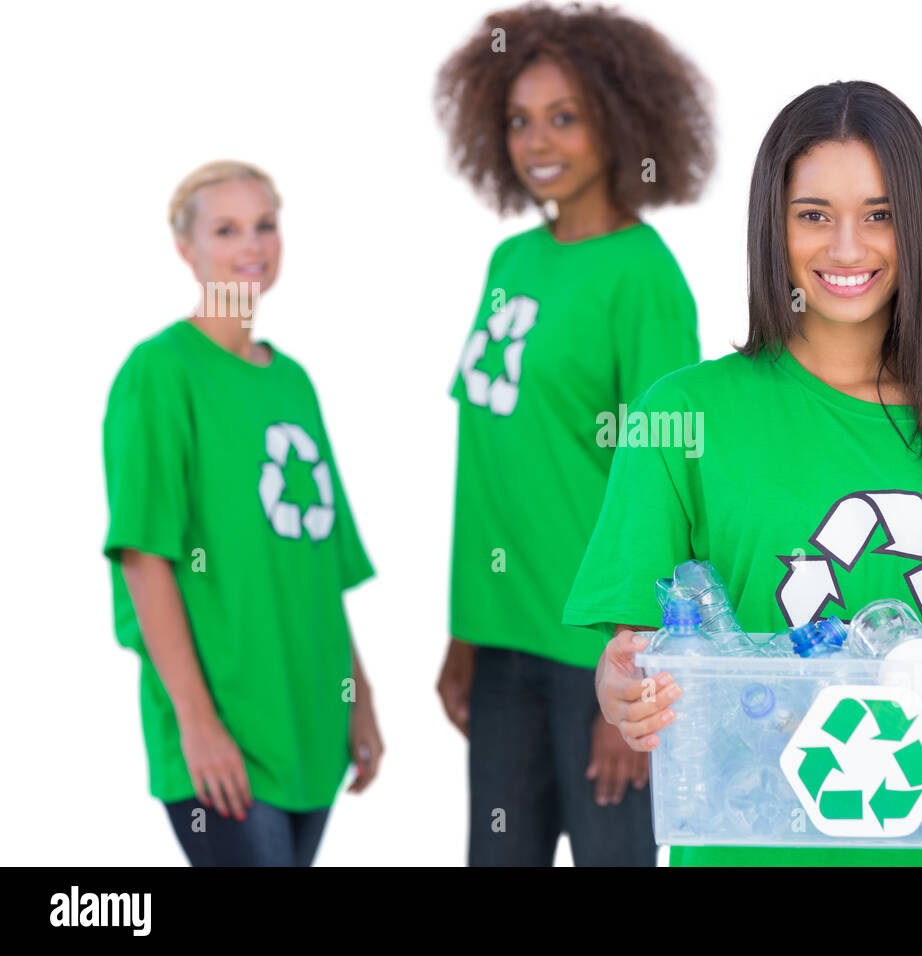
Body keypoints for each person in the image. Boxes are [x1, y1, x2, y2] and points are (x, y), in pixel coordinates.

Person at [566, 81, 922, 867]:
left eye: (880, 214)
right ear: (773, 224)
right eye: (813, 214)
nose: (847, 249)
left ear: (918, 225)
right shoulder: (683, 415)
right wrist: (620, 688)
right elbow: (636, 654)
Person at [434, 2, 714, 865]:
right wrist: (463, 631)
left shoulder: (643, 278)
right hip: (503, 641)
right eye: (519, 119)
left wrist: (636, 680)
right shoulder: (510, 262)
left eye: (564, 116)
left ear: (621, 122)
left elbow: (672, 488)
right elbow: (493, 467)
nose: (536, 140)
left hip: (596, 656)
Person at [102, 160, 382, 866]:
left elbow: (320, 562)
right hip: (225, 729)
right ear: (185, 248)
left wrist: (360, 693)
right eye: (226, 229)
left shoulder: (292, 382)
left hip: (310, 720)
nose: (251, 245)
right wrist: (197, 722)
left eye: (264, 225)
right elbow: (144, 555)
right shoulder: (160, 374)